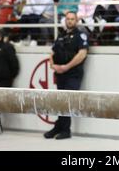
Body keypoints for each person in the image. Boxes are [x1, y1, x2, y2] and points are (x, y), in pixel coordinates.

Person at [44, 12, 88, 140]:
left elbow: (82, 54)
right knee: (60, 101)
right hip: (60, 73)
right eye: (68, 19)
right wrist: (53, 65)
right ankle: (59, 126)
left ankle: (66, 130)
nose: (70, 21)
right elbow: (51, 52)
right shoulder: (61, 35)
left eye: (72, 19)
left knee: (67, 101)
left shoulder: (81, 35)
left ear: (76, 20)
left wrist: (66, 67)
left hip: (73, 74)